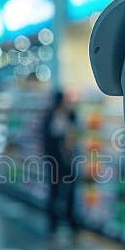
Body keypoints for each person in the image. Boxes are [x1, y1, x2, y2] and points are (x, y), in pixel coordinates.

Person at [42, 90, 79, 239]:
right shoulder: (50, 116)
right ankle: (53, 224)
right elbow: (46, 139)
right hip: (55, 160)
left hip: (68, 160)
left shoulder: (70, 115)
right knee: (54, 191)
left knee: (70, 192)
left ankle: (70, 221)